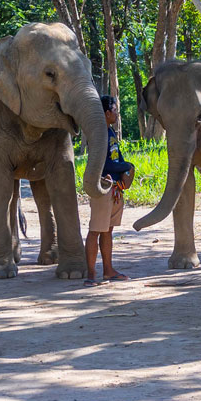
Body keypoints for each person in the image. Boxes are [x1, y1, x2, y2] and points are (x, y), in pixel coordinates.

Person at [85, 95, 134, 287]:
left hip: (114, 189)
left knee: (108, 231)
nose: (117, 115)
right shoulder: (98, 134)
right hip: (102, 188)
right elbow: (103, 164)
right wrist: (126, 166)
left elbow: (115, 157)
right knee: (96, 230)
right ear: (106, 113)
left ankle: (108, 270)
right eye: (115, 111)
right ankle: (90, 274)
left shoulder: (110, 132)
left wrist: (124, 168)